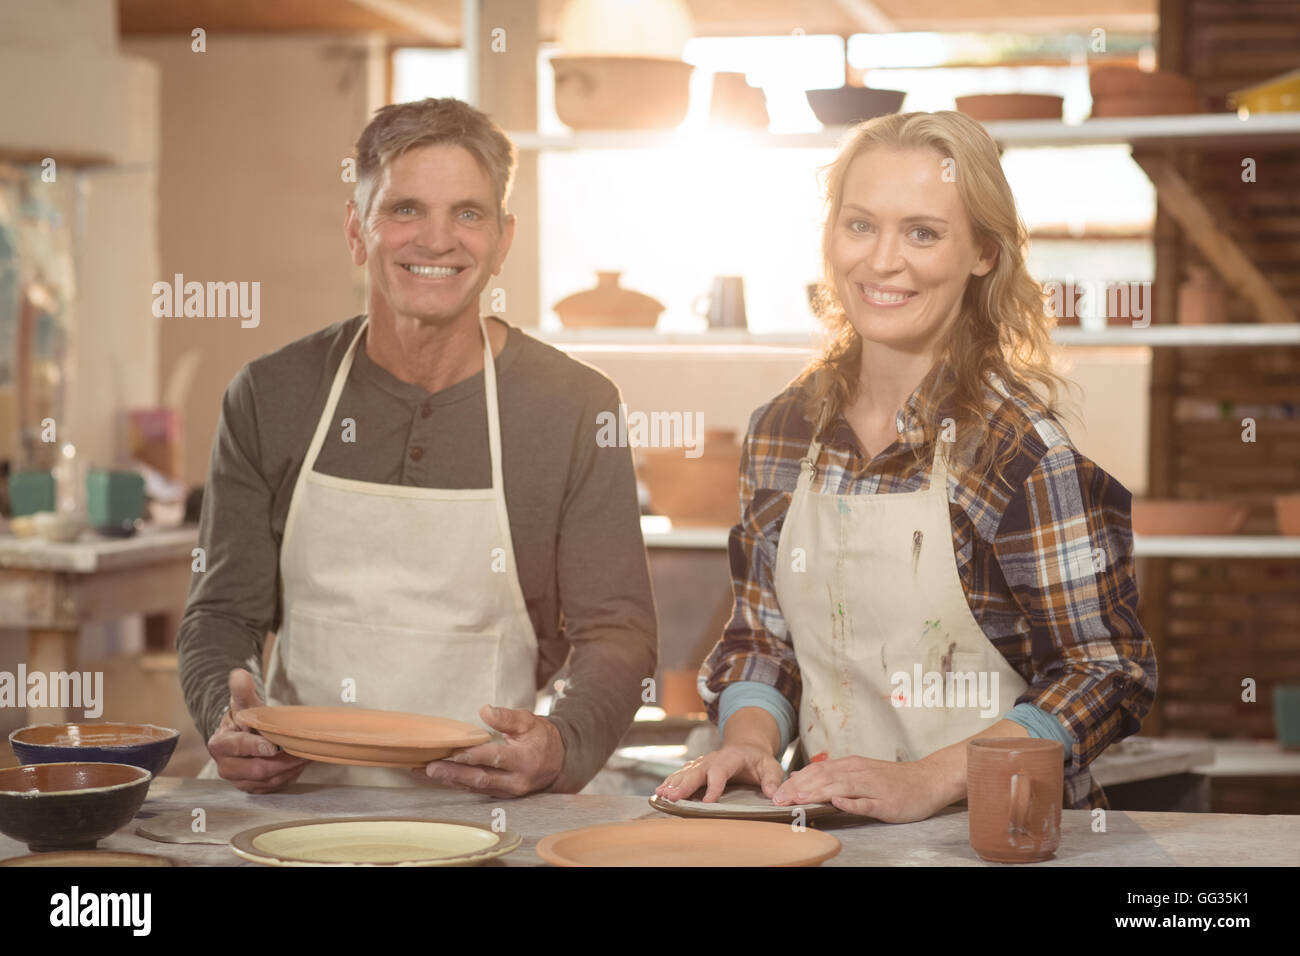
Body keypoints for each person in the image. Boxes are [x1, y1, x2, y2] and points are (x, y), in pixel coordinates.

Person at [656, 110, 1156, 820]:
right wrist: (749, 738)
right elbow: (764, 638)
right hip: (827, 831)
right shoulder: (784, 432)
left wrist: (931, 778)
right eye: (860, 225)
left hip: (998, 838)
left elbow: (1107, 673)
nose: (882, 260)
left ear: (983, 252)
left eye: (923, 232)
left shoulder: (1017, 451)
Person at [179, 98, 657, 794]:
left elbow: (617, 631)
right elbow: (222, 612)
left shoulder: (575, 408)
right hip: (292, 807)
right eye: (405, 210)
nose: (437, 241)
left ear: (503, 240)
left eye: (468, 213)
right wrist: (227, 714)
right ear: (355, 230)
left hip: (492, 809)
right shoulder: (268, 396)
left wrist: (560, 743)